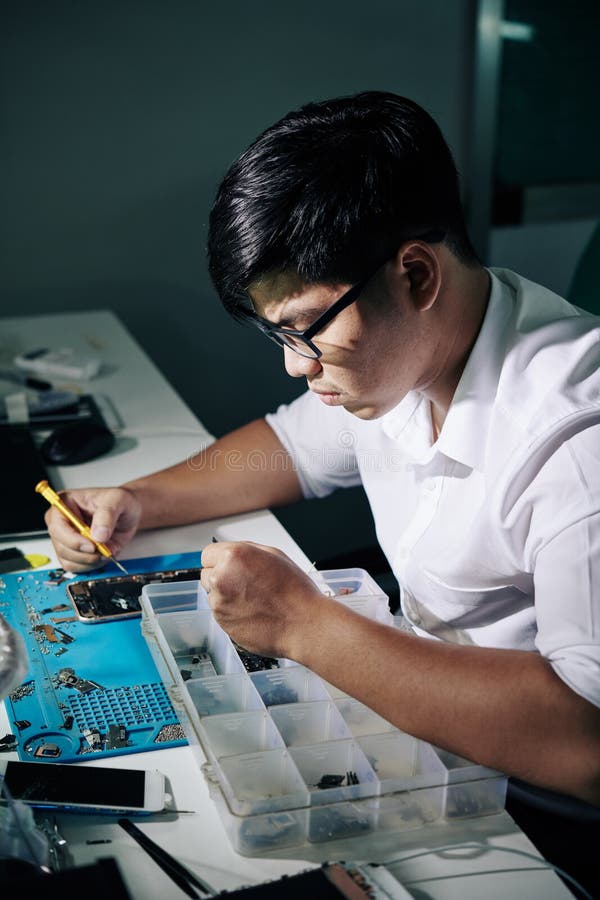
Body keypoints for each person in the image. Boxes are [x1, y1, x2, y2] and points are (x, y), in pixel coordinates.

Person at [46, 93, 600, 821]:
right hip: (434, 727)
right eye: (279, 337)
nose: (295, 367)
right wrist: (141, 499)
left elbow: (586, 748)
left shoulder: (576, 443)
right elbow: (288, 448)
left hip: (535, 802)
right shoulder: (407, 353)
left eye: (305, 330)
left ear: (416, 276)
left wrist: (303, 625)